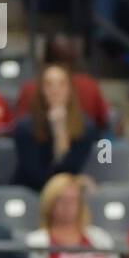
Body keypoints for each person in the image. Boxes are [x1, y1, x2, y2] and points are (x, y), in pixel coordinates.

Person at [11, 63, 98, 191]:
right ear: (41, 90)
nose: (55, 90)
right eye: (48, 84)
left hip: (67, 194)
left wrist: (60, 131)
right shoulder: (24, 128)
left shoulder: (86, 127)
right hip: (31, 193)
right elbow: (36, 176)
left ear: (70, 90)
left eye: (61, 84)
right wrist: (76, 181)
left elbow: (71, 167)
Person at [26, 173, 118, 258]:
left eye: (73, 200)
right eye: (61, 200)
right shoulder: (35, 242)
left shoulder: (101, 239)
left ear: (80, 204)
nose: (67, 206)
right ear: (50, 203)